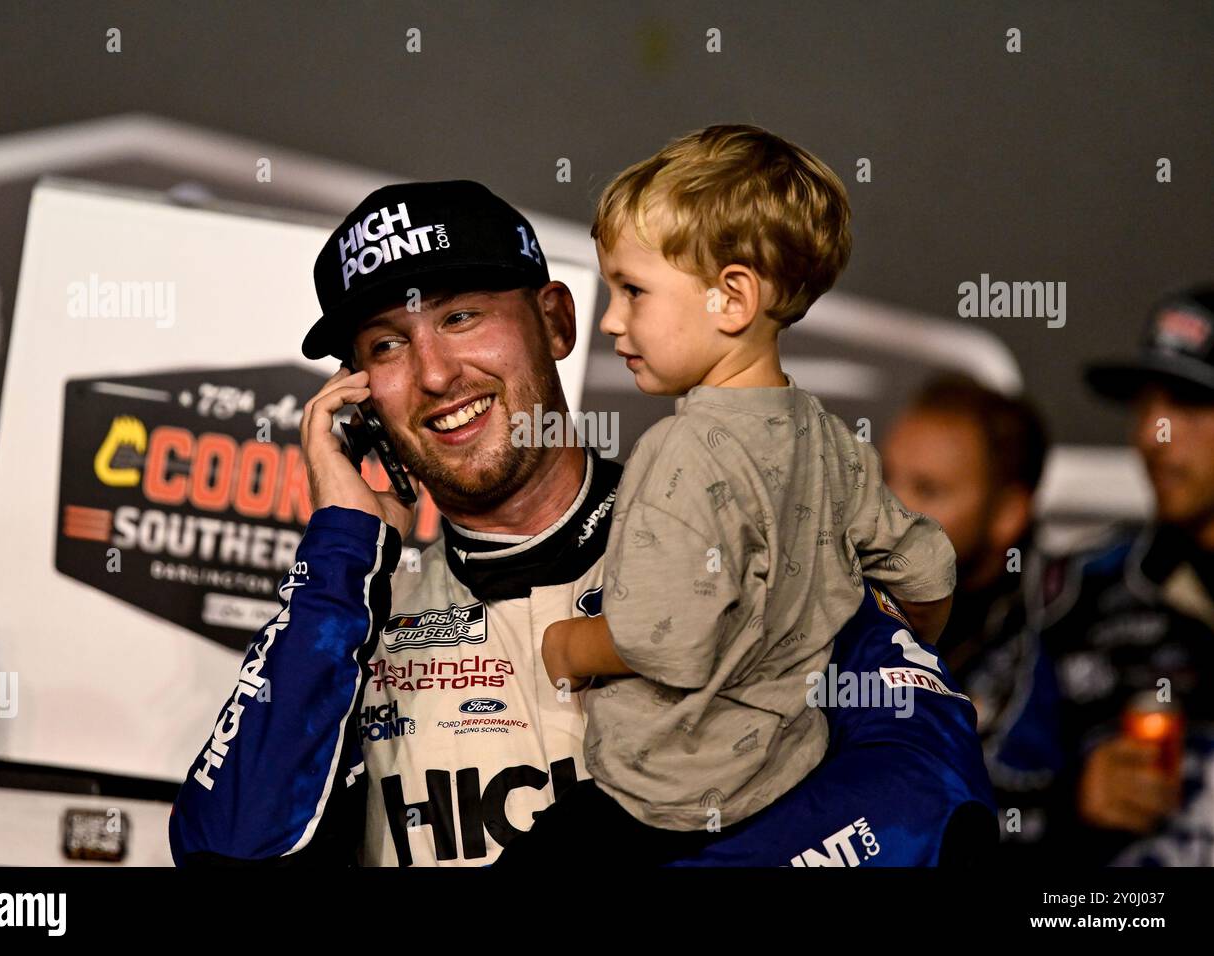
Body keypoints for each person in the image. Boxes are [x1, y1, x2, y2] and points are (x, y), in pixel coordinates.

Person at [168, 178, 994, 867]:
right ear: (357, 396)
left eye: (461, 317)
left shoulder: (755, 533)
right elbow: (224, 853)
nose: (434, 373)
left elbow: (927, 790)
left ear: (557, 321)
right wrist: (342, 552)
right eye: (386, 345)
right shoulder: (351, 618)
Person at [496, 126, 956, 865]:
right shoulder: (830, 438)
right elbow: (927, 568)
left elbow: (667, 642)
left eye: (632, 291)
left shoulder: (679, 453)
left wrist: (565, 642)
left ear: (732, 298)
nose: (611, 319)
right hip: (786, 784)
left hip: (660, 805)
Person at [1041, 285, 1214, 865]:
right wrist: (1074, 805)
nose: (1150, 437)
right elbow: (969, 800)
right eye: (1144, 407)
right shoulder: (1075, 592)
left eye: (1187, 404)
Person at [882, 374, 1062, 861]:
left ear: (1006, 512)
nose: (888, 512)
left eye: (928, 489)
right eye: (885, 478)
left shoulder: (1069, 632)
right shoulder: (836, 610)